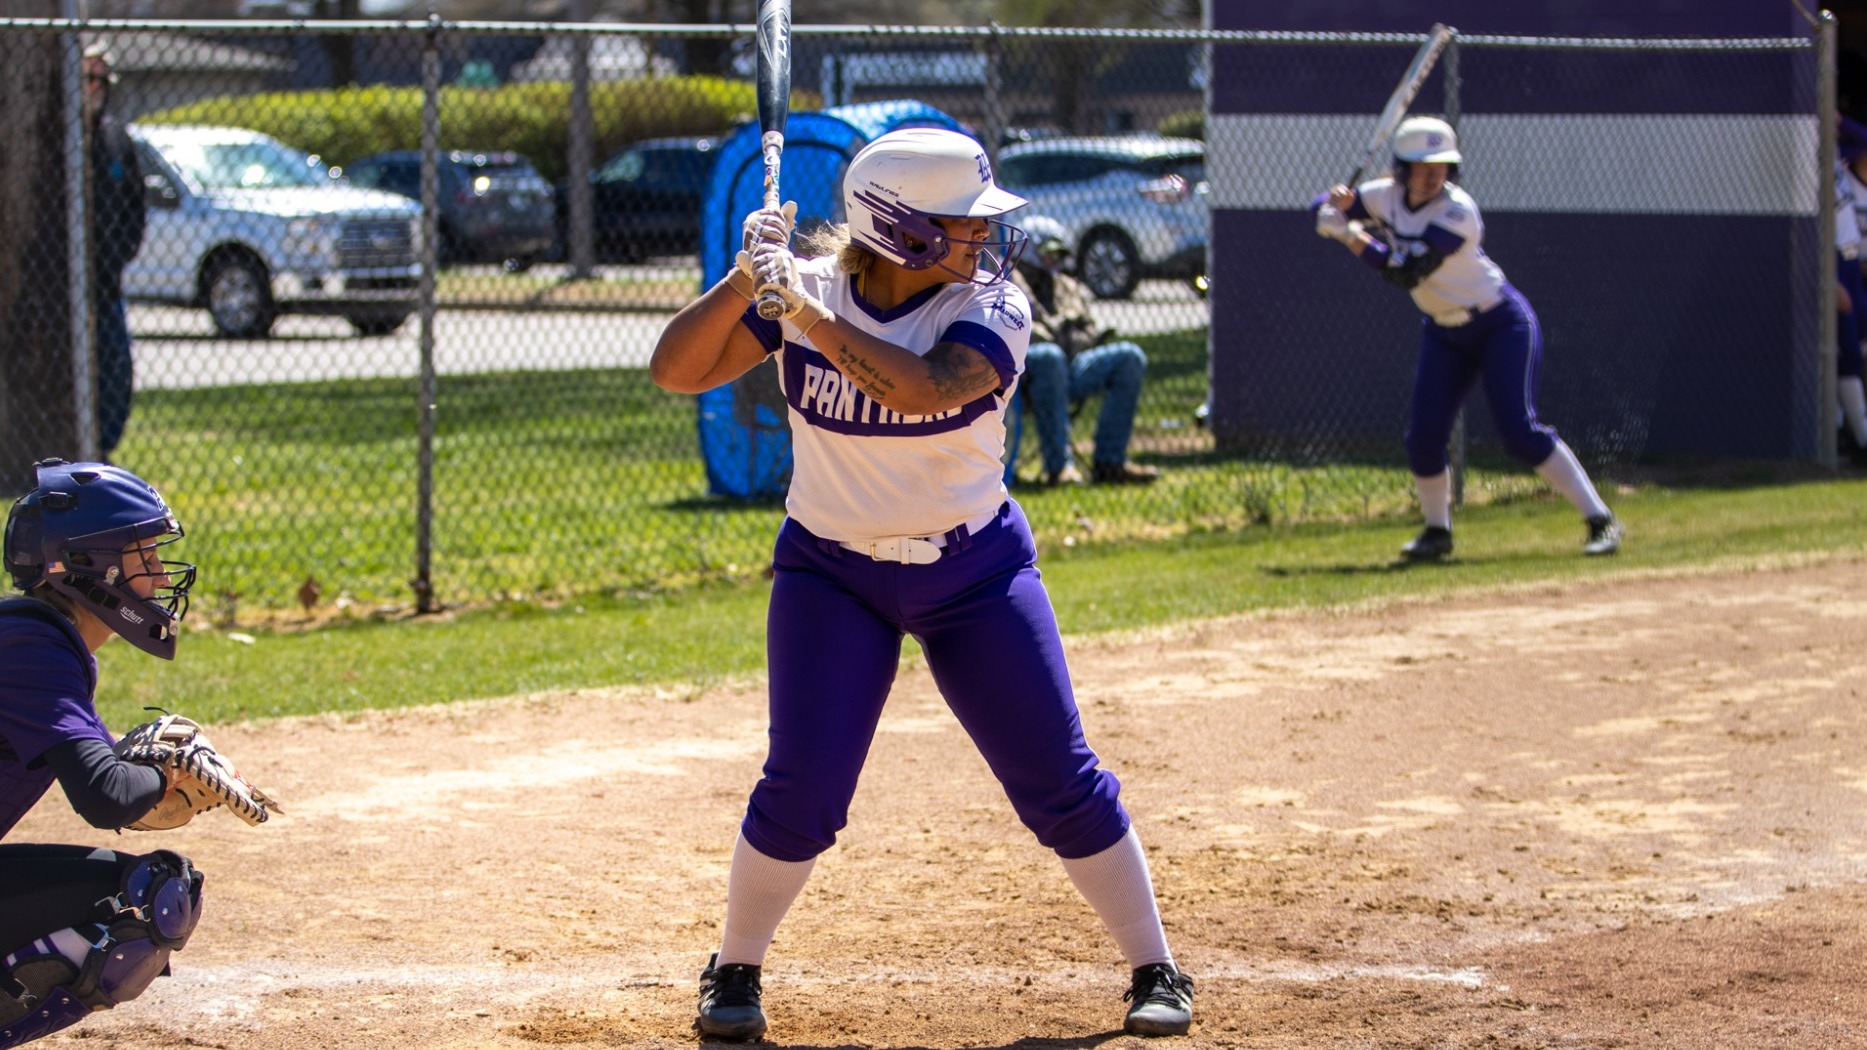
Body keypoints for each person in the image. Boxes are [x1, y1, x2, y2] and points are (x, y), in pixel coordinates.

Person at [650, 127, 1194, 1040]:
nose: (983, 240)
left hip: (973, 572)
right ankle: (733, 967)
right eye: (961, 223)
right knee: (803, 788)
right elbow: (676, 371)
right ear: (897, 230)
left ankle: (1155, 964)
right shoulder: (802, 290)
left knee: (1058, 779)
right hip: (831, 574)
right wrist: (748, 282)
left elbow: (925, 390)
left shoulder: (992, 307)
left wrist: (805, 318)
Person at [1313, 116, 1623, 560]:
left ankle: (1600, 519)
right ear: (1400, 168)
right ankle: (1437, 533)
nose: (1432, 174)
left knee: (1519, 431)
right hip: (1444, 331)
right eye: (1420, 165)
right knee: (1422, 437)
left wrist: (1349, 236)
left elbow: (1406, 273)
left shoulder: (1458, 212)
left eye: (1441, 165)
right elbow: (1321, 207)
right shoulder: (1384, 196)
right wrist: (1333, 204)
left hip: (1498, 322)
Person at [0, 459, 205, 1047]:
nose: (161, 574)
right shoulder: (30, 644)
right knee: (150, 898)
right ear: (89, 565)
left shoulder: (38, 637)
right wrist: (165, 773)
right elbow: (107, 795)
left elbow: (107, 774)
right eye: (143, 555)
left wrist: (144, 769)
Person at [1008, 216, 1160, 486]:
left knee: (1129, 357)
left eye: (1058, 254)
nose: (1053, 261)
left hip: (1071, 366)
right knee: (1050, 356)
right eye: (1047, 254)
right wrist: (1065, 330)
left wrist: (1062, 332)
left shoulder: (1066, 284)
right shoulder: (1010, 282)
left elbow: (1088, 330)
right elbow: (1027, 333)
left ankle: (1110, 463)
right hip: (1027, 375)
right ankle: (1059, 467)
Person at [82, 43, 147, 461]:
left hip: (106, 283)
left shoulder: (114, 138)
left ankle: (101, 448)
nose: (95, 87)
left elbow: (135, 205)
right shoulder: (51, 138)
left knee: (116, 373)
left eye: (102, 80)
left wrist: (118, 254)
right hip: (54, 288)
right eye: (88, 78)